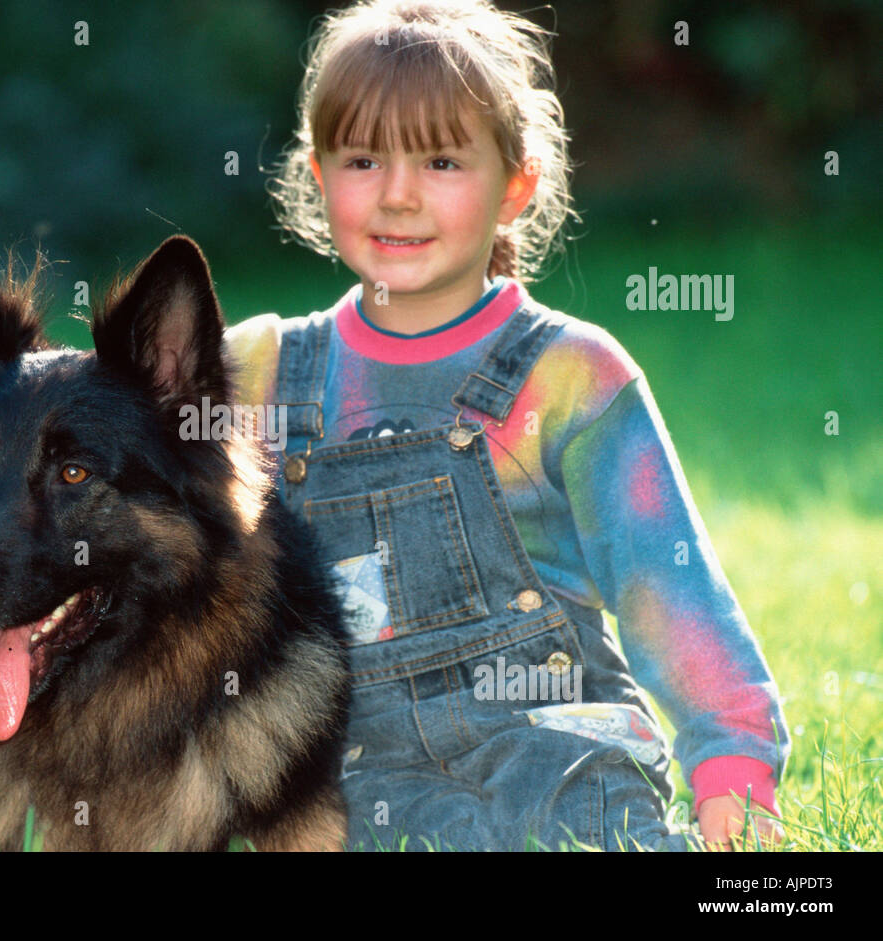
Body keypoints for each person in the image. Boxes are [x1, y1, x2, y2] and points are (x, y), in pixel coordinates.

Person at [225, 0, 788, 851]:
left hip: (555, 747)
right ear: (317, 175)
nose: (399, 194)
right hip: (348, 766)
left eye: (443, 160)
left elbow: (667, 586)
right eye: (363, 158)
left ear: (515, 184)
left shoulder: (572, 373)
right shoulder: (260, 370)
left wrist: (732, 764)